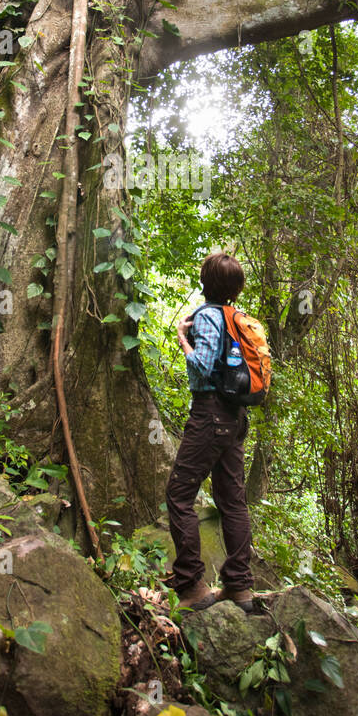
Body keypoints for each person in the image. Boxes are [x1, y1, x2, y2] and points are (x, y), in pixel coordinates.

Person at [165, 252, 255, 612]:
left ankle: (192, 586)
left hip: (210, 416)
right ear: (236, 288)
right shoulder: (237, 318)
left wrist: (182, 339)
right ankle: (240, 588)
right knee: (233, 501)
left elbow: (202, 366)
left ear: (205, 282)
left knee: (179, 494)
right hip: (235, 419)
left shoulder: (206, 317)